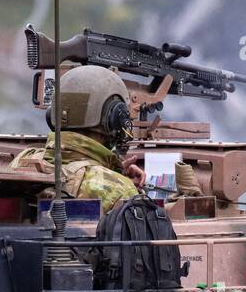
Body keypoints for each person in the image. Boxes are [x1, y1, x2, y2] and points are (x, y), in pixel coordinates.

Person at [8, 64, 144, 212]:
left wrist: (114, 171)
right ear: (114, 117)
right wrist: (121, 182)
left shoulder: (21, 161)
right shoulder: (119, 190)